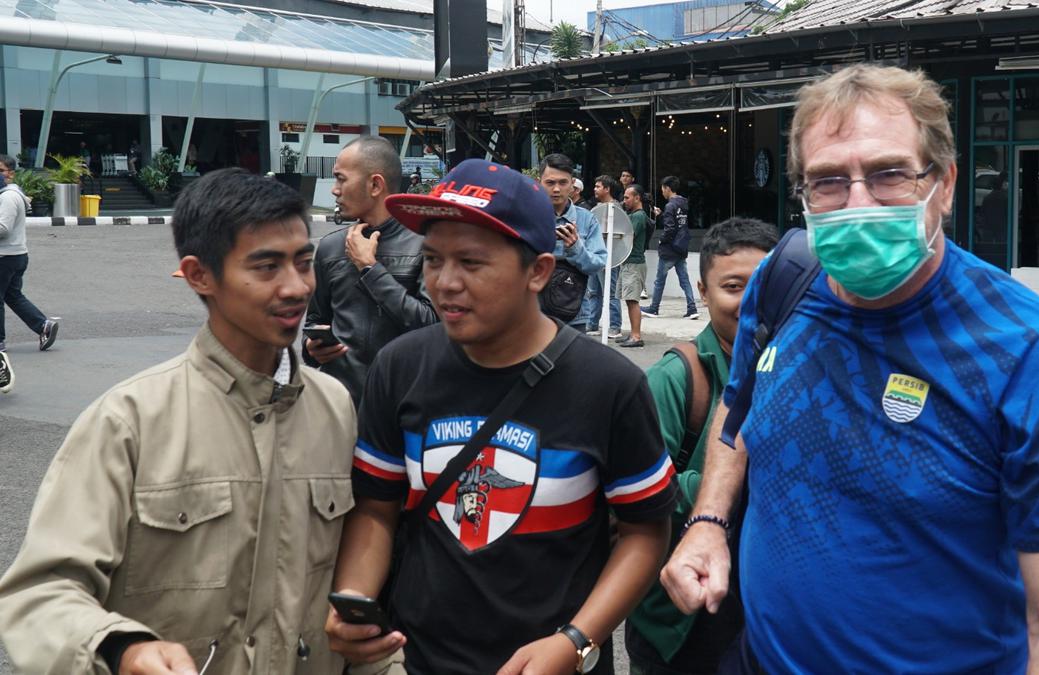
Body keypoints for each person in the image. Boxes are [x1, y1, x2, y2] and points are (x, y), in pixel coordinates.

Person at [660, 64, 1039, 674]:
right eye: (828, 180)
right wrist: (708, 522)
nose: (858, 203)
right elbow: (740, 407)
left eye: (888, 174)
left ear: (946, 184)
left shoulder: (1029, 350)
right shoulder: (781, 281)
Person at [325, 159, 677, 675]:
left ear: (538, 271)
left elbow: (646, 531)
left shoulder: (610, 385)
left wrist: (576, 641)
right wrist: (354, 598)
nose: (445, 283)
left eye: (471, 263)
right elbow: (377, 509)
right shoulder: (399, 368)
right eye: (433, 259)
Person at [0, 168, 358, 674]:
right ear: (198, 275)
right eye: (266, 267)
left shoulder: (335, 408)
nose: (296, 287)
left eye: (304, 263)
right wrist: (121, 648)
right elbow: (41, 592)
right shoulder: (128, 421)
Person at [626, 218, 777, 673]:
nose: (750, 302)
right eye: (733, 286)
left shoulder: (800, 369)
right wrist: (738, 483)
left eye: (764, 286)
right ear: (702, 290)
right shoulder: (677, 378)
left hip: (768, 615)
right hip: (683, 622)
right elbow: (641, 491)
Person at [304, 135, 437, 404]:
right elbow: (314, 323)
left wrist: (370, 268)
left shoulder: (425, 245)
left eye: (341, 178)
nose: (334, 190)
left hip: (406, 404)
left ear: (375, 184)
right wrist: (312, 349)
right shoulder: (330, 247)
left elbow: (432, 325)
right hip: (341, 407)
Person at [538, 153, 606, 332]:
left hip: (574, 315)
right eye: (550, 183)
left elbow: (597, 264)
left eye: (563, 182)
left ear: (572, 184)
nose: (556, 189)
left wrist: (576, 248)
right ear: (540, 182)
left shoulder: (587, 219)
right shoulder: (529, 216)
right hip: (533, 315)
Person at [0, 153, 60, 355]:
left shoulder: (8, 197)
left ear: (11, 174)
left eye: (1, 171)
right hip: (15, 255)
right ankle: (44, 326)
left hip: (5, 256)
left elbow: (3, 228)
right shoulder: (10, 194)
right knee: (13, 296)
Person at [641, 176, 698, 320]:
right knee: (684, 279)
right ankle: (692, 308)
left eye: (662, 189)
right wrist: (662, 216)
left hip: (669, 249)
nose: (662, 192)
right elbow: (679, 224)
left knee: (660, 281)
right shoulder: (683, 203)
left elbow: (670, 228)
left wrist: (661, 240)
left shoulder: (670, 205)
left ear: (667, 188)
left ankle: (654, 308)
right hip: (681, 247)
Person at [615, 184, 654, 349]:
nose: (624, 201)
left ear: (637, 198)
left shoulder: (638, 216)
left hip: (634, 263)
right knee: (629, 301)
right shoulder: (634, 215)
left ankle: (636, 336)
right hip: (628, 263)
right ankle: (632, 334)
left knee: (632, 301)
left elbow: (627, 235)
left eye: (627, 197)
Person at [585, 174, 623, 338]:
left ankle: (614, 325)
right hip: (595, 255)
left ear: (607, 189)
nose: (595, 189)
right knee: (594, 292)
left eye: (598, 186)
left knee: (611, 292)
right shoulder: (596, 208)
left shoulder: (616, 208)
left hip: (610, 257)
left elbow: (622, 234)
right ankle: (592, 323)